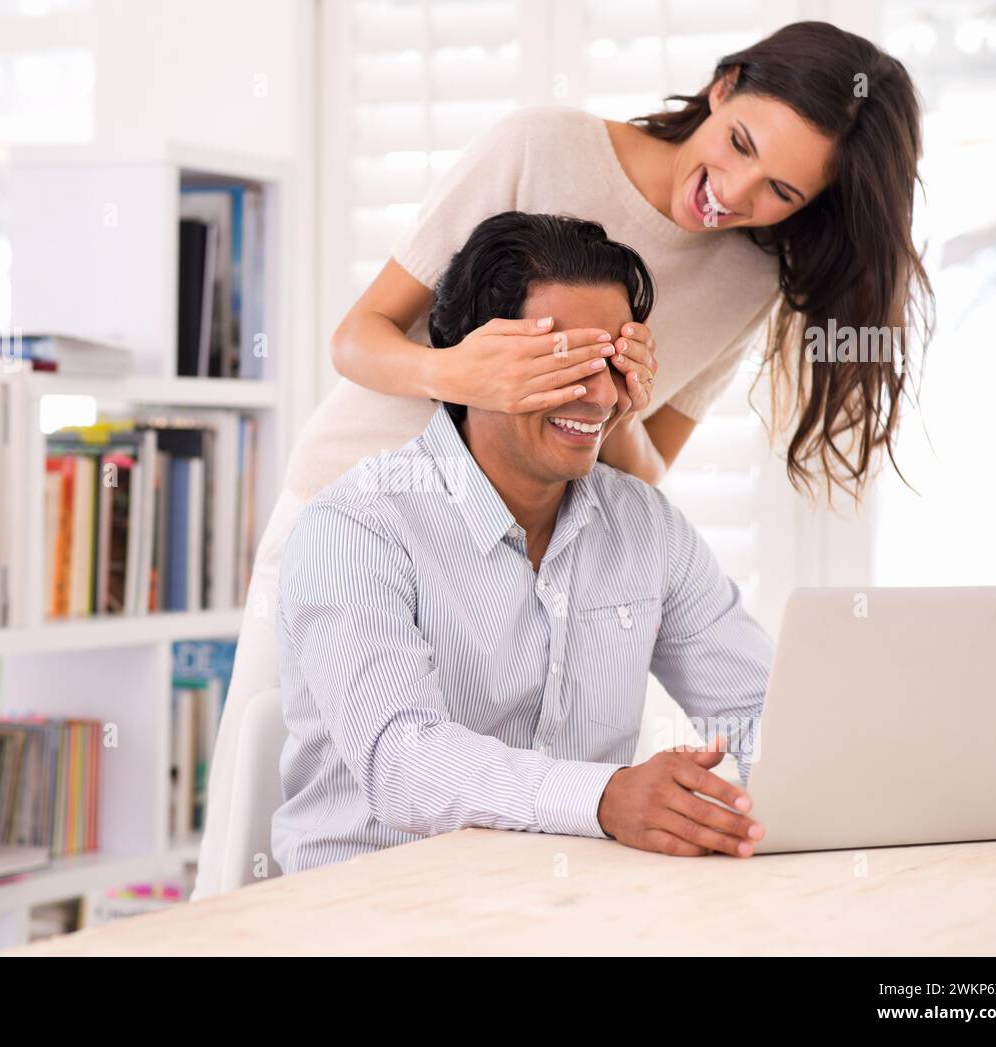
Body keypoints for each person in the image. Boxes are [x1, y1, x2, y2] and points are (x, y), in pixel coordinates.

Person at [272, 213, 772, 876]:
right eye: (559, 361)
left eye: (611, 362)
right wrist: (605, 797)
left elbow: (762, 711)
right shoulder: (356, 528)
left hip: (562, 910)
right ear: (477, 366)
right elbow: (402, 759)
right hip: (374, 915)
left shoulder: (645, 527)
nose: (598, 395)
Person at [301, 20, 932, 504]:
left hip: (499, 571)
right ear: (725, 86)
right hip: (347, 503)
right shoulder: (542, 146)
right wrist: (461, 376)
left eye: (781, 191)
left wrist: (620, 411)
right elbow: (355, 341)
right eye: (741, 144)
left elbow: (646, 480)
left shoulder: (749, 281)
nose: (734, 193)